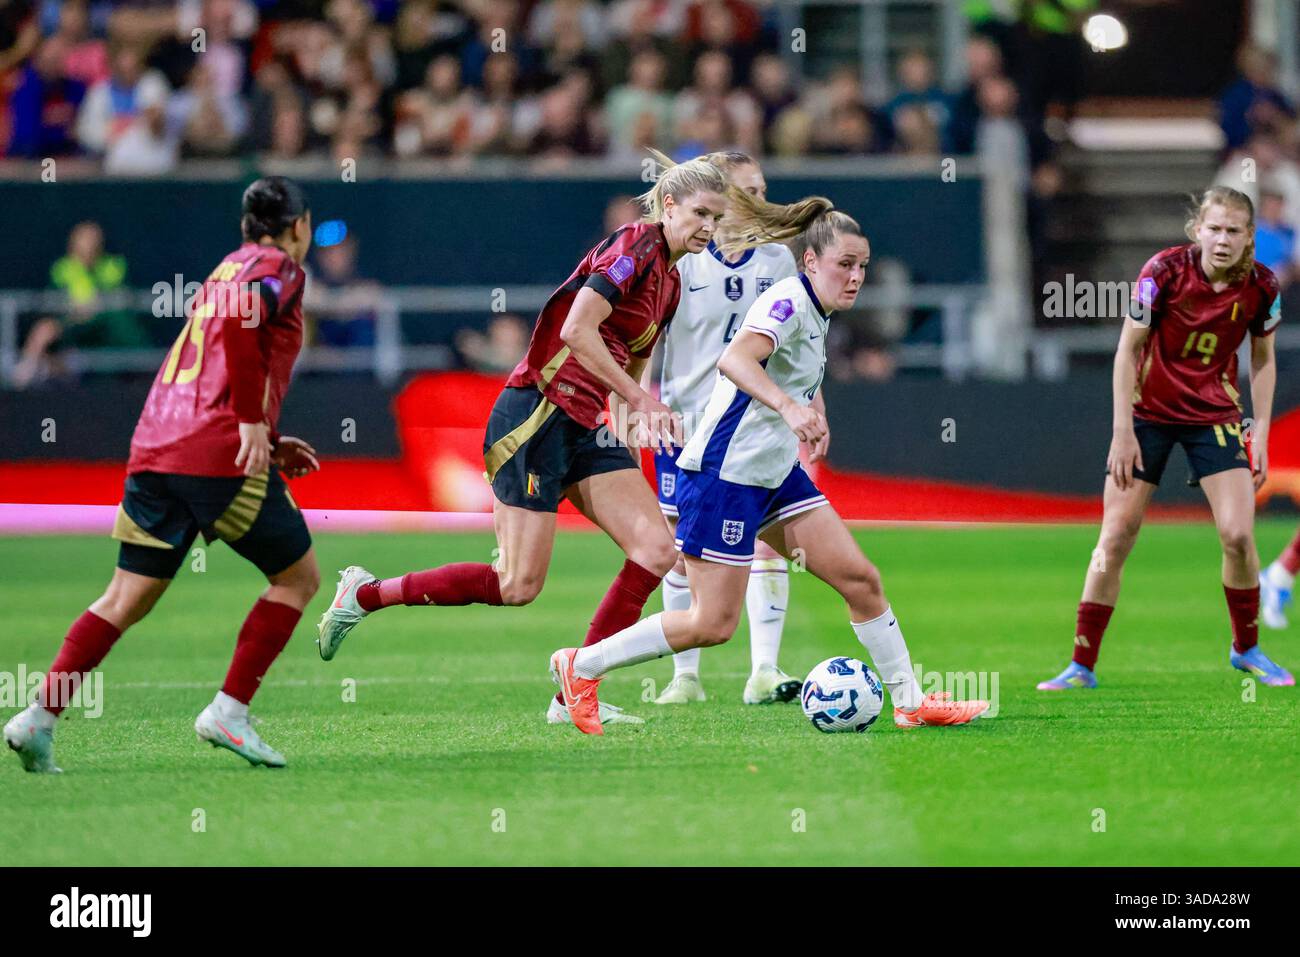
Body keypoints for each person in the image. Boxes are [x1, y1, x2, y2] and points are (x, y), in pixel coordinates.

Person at [317, 153, 732, 730]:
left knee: (658, 551)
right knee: (517, 585)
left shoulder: (672, 280)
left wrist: (627, 411)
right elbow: (575, 330)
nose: (709, 227)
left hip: (587, 420)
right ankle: (364, 595)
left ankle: (576, 689)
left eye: (718, 217)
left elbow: (634, 358)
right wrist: (637, 400)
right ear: (668, 206)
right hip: (539, 410)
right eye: (701, 213)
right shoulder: (635, 245)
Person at [549, 193, 991, 734]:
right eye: (845, 265)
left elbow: (792, 371)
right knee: (712, 624)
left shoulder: (817, 309)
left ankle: (910, 701)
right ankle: (581, 665)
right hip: (724, 475)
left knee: (860, 580)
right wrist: (788, 406)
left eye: (863, 267)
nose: (856, 277)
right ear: (810, 262)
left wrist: (811, 408)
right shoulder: (786, 303)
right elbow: (733, 360)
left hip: (773, 473)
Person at [4, 177, 322, 772]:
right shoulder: (278, 267)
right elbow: (237, 325)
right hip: (215, 452)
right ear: (298, 226)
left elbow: (216, 357)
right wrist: (253, 424)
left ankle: (37, 719)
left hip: (157, 443)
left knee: (126, 596)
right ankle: (228, 712)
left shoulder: (226, 267)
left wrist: (268, 437)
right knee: (298, 578)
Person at [1039, 186, 1294, 691]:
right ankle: (1081, 665)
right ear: (1197, 229)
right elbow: (1126, 351)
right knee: (1113, 539)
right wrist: (1121, 433)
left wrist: (1259, 432)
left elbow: (1263, 360)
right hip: (1146, 415)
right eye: (1214, 228)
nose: (1222, 239)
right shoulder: (1163, 272)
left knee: (1240, 537)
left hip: (1215, 416)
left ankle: (1246, 650)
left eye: (1233, 231)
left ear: (1249, 238)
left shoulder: (1262, 287)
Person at [650, 150, 805, 707]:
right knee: (678, 551)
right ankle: (684, 677)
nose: (763, 203)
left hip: (755, 427)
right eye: (752, 192)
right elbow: (648, 334)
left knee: (767, 544)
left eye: (764, 190)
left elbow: (795, 348)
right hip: (686, 427)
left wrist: (811, 406)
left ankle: (764, 671)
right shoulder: (680, 260)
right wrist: (639, 401)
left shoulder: (778, 262)